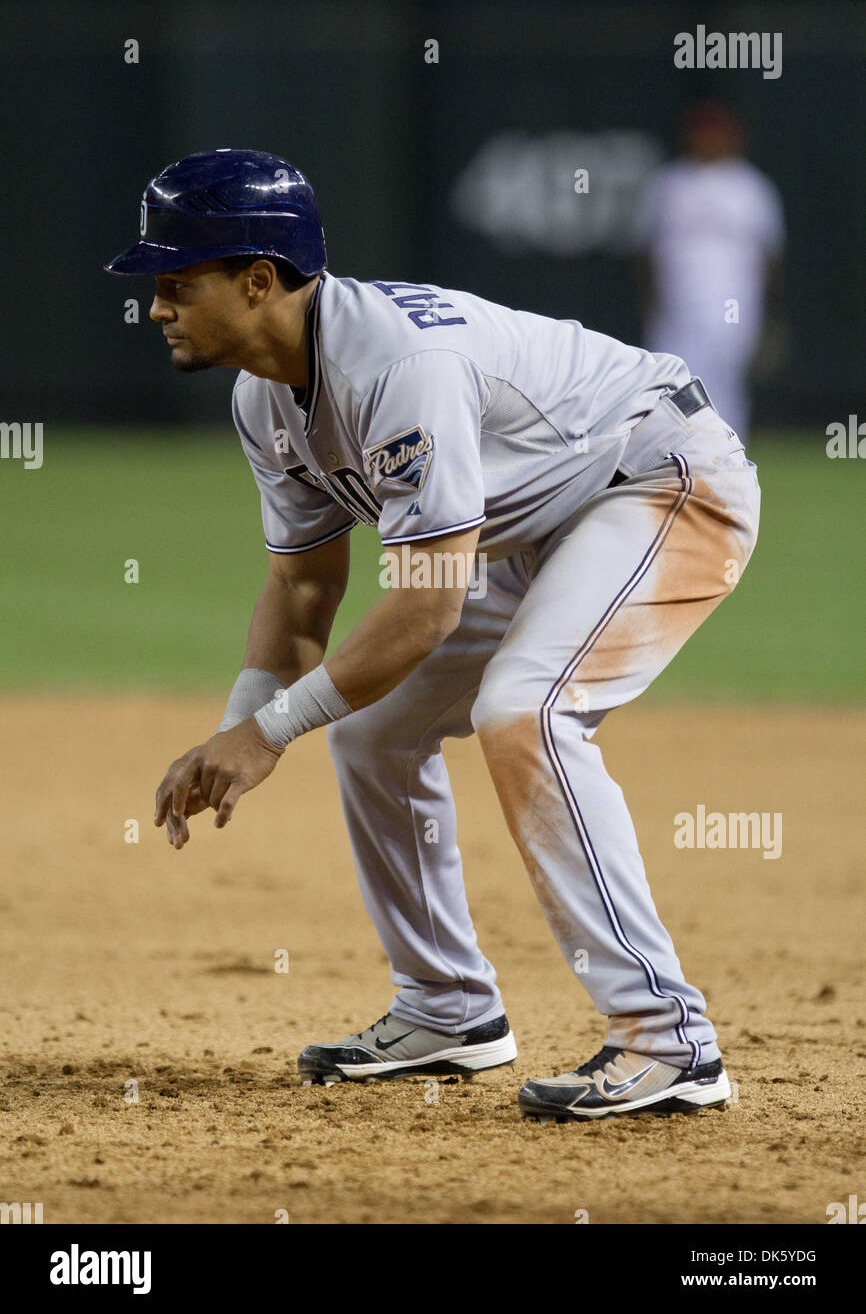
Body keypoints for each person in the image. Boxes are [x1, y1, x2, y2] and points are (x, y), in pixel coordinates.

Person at [106, 148, 760, 1122]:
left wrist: (271, 732)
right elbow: (302, 586)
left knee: (526, 711)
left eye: (177, 280)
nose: (156, 304)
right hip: (542, 525)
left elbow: (424, 609)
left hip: (659, 477)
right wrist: (240, 724)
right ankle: (447, 1005)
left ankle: (670, 1041)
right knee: (372, 731)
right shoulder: (262, 397)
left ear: (257, 280)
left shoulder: (398, 370)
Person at [634, 101, 785, 441]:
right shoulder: (670, 184)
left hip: (735, 304)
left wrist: (772, 317)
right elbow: (646, 252)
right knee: (674, 380)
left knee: (726, 381)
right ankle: (676, 455)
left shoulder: (751, 187)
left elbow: (769, 258)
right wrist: (650, 302)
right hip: (678, 305)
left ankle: (728, 456)